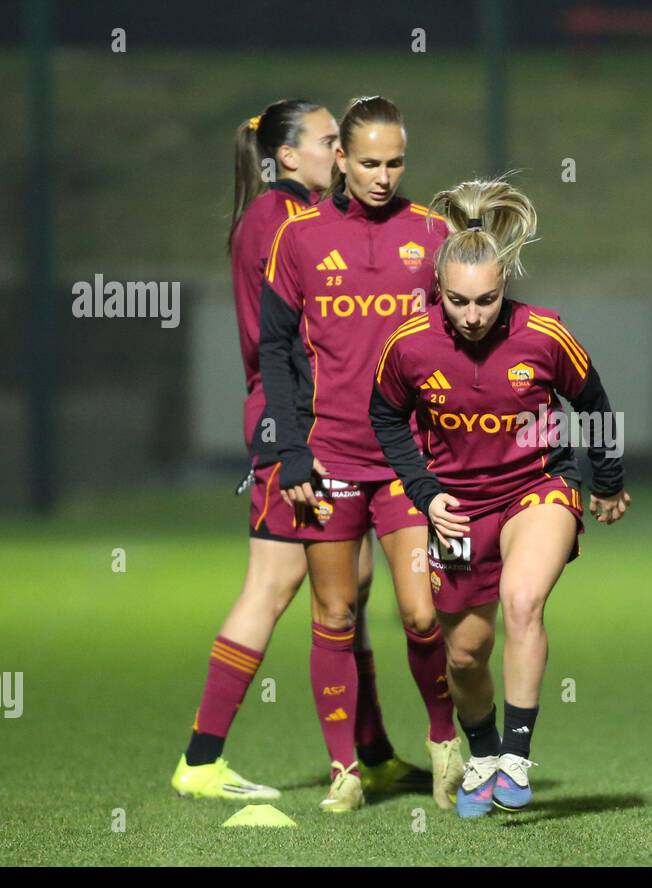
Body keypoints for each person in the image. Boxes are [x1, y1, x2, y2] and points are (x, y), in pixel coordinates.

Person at [370, 178, 629, 818]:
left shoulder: (543, 334)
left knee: (522, 600)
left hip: (537, 487)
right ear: (438, 289)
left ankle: (516, 755)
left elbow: (594, 404)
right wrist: (426, 494)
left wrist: (607, 480)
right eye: (458, 301)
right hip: (457, 506)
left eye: (486, 300)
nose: (473, 315)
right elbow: (385, 419)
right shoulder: (408, 344)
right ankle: (483, 752)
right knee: (463, 655)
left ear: (504, 285)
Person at [173, 98, 393, 802]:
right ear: (288, 157)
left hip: (312, 424)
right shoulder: (283, 221)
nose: (341, 151)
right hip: (294, 426)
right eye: (329, 141)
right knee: (272, 587)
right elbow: (292, 341)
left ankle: (373, 750)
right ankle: (201, 759)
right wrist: (295, 439)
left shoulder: (286, 215)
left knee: (349, 588)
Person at [255, 96, 463, 813]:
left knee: (422, 614)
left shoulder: (432, 233)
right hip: (330, 458)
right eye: (369, 162)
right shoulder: (298, 237)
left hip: (409, 461)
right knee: (336, 613)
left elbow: (463, 337)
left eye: (395, 162)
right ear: (339, 158)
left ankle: (444, 742)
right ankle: (344, 769)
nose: (382, 176)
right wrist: (289, 450)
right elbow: (274, 350)